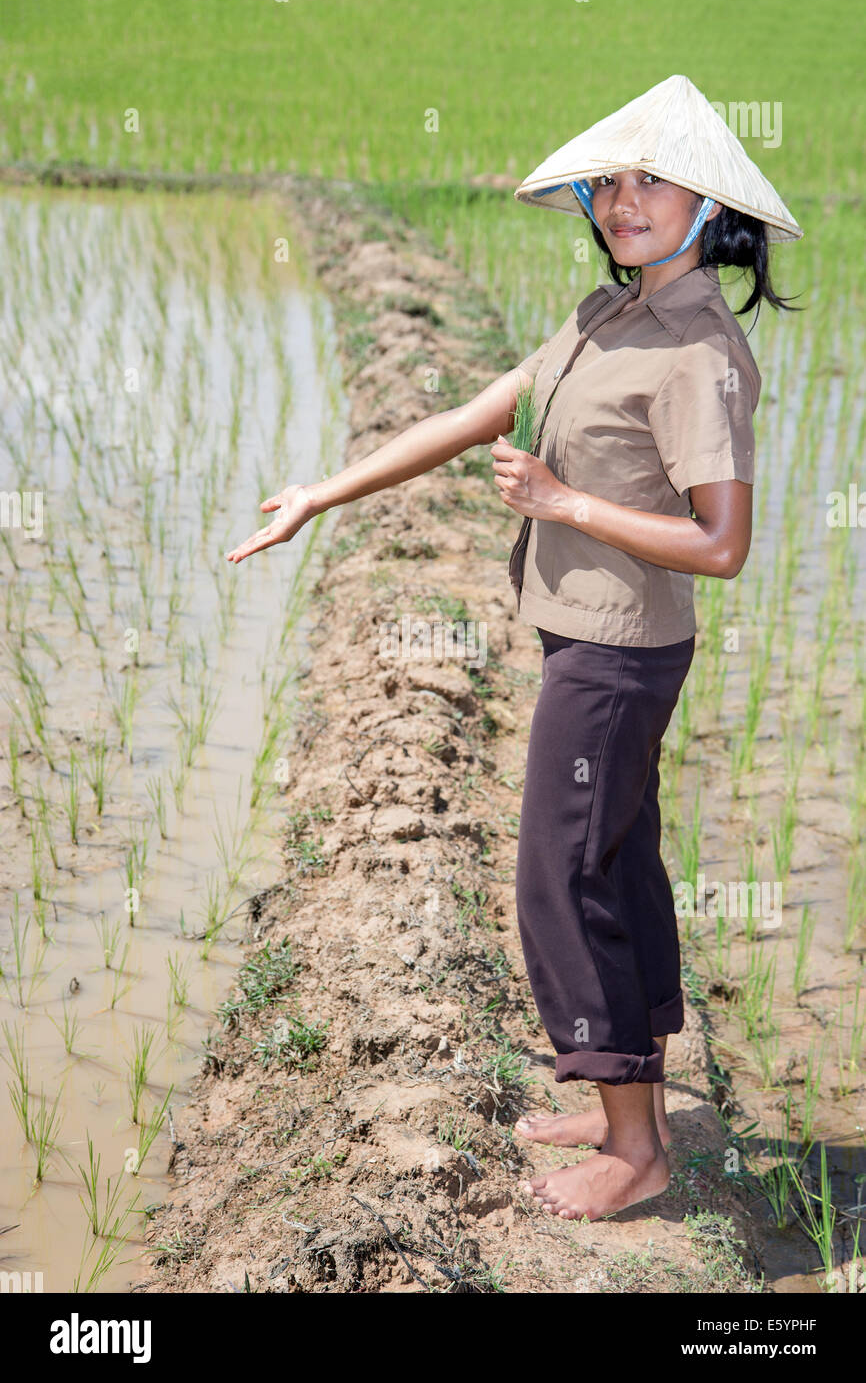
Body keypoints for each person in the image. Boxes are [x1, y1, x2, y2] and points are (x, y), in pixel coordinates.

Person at [225, 74, 803, 1223]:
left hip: (616, 656)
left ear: (710, 205)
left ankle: (635, 1151)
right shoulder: (610, 313)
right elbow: (483, 408)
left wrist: (562, 502)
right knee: (615, 859)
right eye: (609, 181)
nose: (622, 199)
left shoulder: (693, 346)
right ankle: (617, 1095)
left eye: (651, 180)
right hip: (581, 643)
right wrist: (319, 495)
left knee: (561, 877)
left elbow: (721, 543)